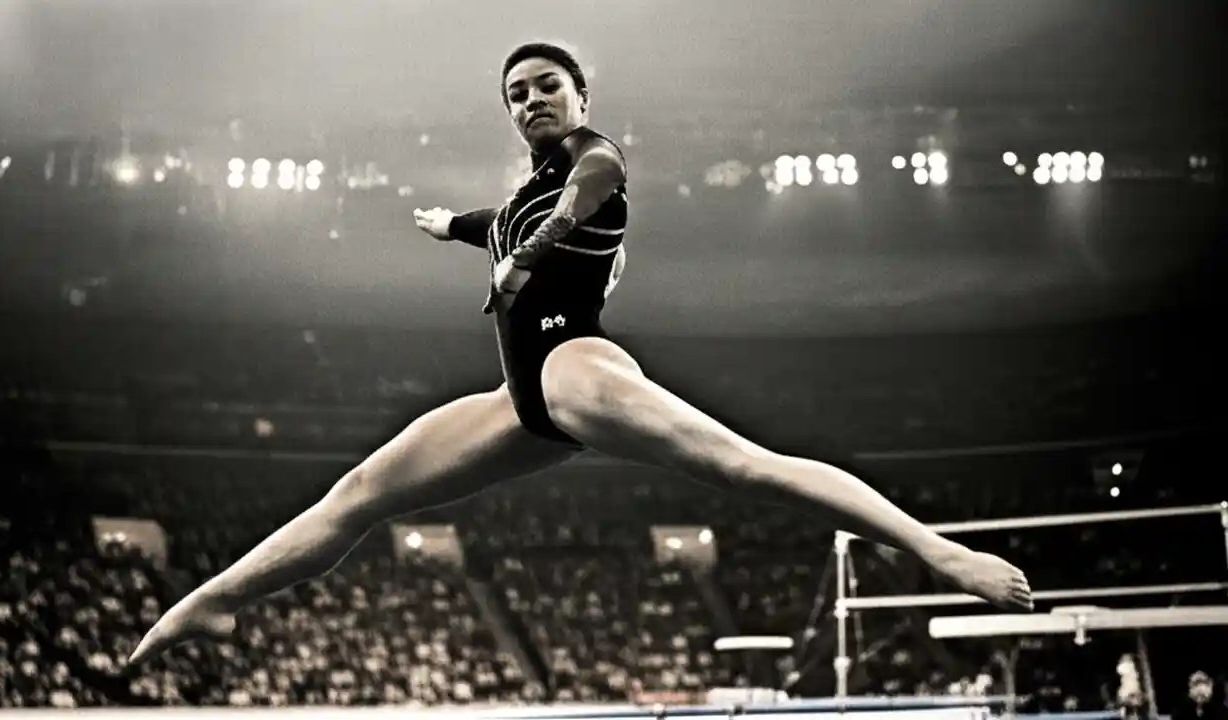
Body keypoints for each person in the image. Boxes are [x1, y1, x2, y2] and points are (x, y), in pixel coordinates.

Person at [129, 42, 1032, 667]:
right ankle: (211, 601)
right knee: (360, 494)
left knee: (743, 466)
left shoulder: (593, 160)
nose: (532, 99)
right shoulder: (525, 190)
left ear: (580, 96)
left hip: (575, 367)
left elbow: (581, 197)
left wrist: (529, 252)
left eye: (548, 84)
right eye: (517, 92)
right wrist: (452, 227)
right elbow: (502, 220)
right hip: (519, 397)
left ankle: (935, 550)